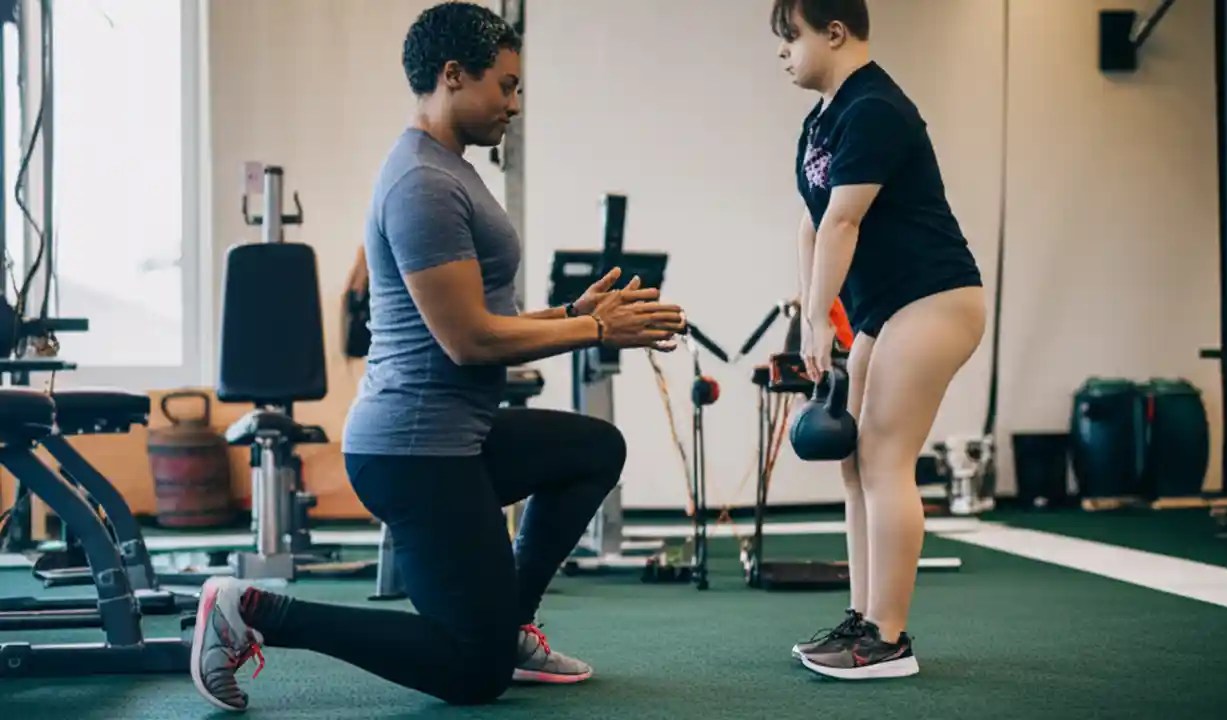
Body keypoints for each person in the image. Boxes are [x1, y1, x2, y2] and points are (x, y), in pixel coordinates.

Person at [188, 2, 685, 711]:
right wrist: (594, 331)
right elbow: (470, 341)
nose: (514, 104)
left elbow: (487, 319)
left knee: (592, 448)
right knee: (472, 675)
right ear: (453, 76)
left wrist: (574, 315)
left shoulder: (448, 168)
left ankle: (505, 621)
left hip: (458, 437)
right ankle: (251, 611)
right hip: (415, 454)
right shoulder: (422, 183)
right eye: (505, 86)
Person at [773, 0, 987, 680]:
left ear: (834, 33)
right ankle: (863, 619)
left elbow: (844, 223)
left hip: (935, 298)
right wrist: (820, 314)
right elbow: (813, 224)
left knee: (886, 459)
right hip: (881, 310)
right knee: (853, 460)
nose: (783, 53)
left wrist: (816, 320)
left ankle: (889, 640)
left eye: (791, 38)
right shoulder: (823, 118)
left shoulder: (875, 109)